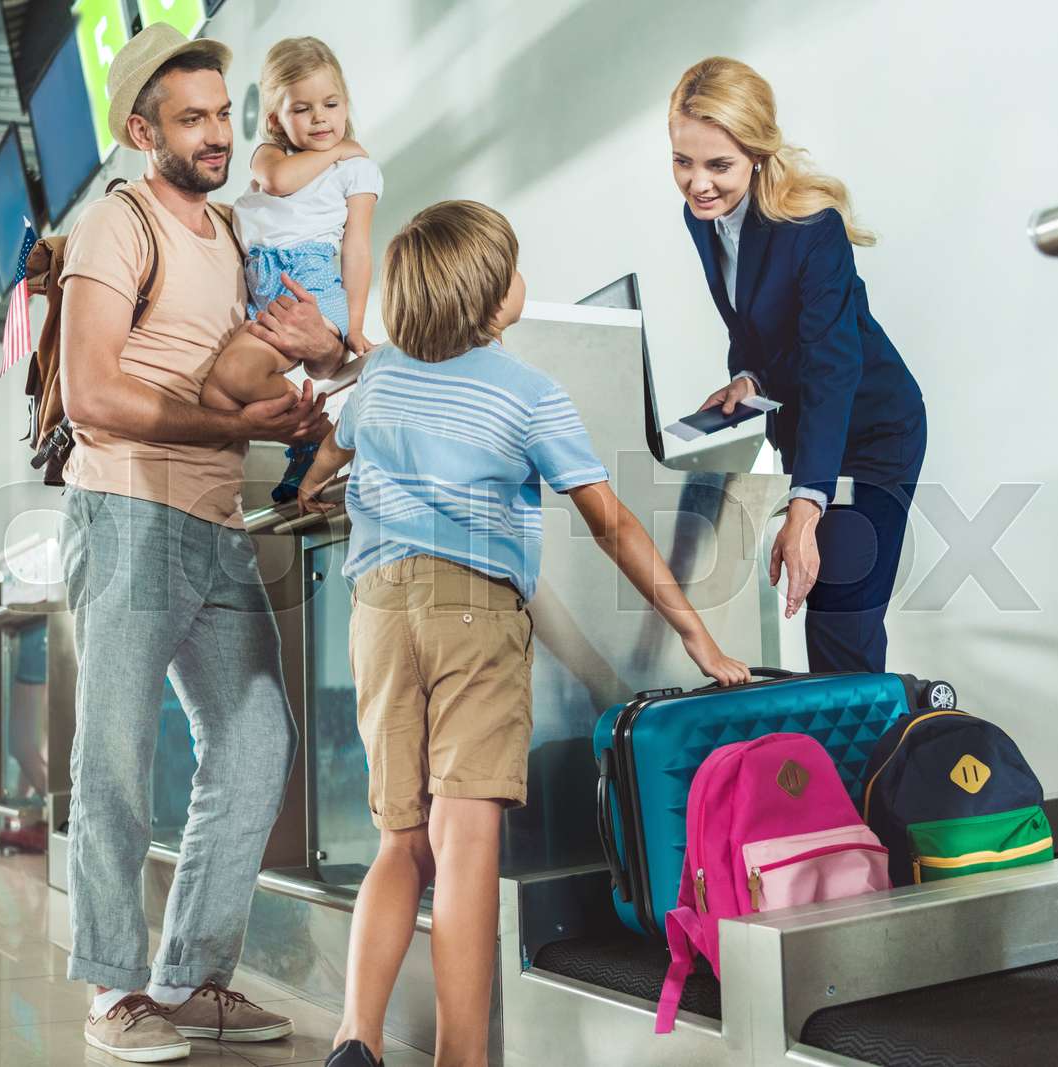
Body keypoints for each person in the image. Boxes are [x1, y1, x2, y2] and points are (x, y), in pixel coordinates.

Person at [296, 200, 751, 1067]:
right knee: (463, 842)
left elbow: (324, 466)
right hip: (472, 610)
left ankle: (356, 1036)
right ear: (489, 301)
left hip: (379, 609)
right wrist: (694, 632)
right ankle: (462, 1059)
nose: (521, 282)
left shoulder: (380, 378)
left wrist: (329, 487)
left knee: (400, 838)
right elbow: (610, 522)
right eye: (511, 271)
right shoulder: (529, 393)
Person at [58, 23, 345, 1064]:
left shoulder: (233, 234)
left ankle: (189, 976)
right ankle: (111, 987)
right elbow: (93, 394)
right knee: (116, 758)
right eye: (193, 119)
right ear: (143, 130)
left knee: (256, 733)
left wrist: (312, 394)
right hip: (128, 512)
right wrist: (241, 427)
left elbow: (259, 372)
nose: (219, 133)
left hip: (217, 520)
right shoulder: (117, 222)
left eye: (225, 112)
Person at [671, 57, 927, 674]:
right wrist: (750, 378)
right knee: (833, 624)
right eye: (683, 162)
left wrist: (806, 509)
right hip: (809, 427)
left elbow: (832, 366)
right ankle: (847, 763)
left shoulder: (813, 228)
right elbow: (757, 328)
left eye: (718, 166)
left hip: (870, 431)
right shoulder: (703, 219)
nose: (698, 183)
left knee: (843, 613)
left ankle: (876, 766)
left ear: (756, 154)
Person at [205, 35, 382, 501]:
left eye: (331, 103)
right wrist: (338, 150)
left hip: (312, 283)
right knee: (216, 396)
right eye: (302, 109)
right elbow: (280, 181)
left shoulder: (356, 171)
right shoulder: (271, 157)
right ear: (275, 119)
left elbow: (357, 248)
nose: (321, 118)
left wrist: (357, 324)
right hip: (265, 289)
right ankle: (308, 438)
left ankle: (315, 436)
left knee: (240, 377)